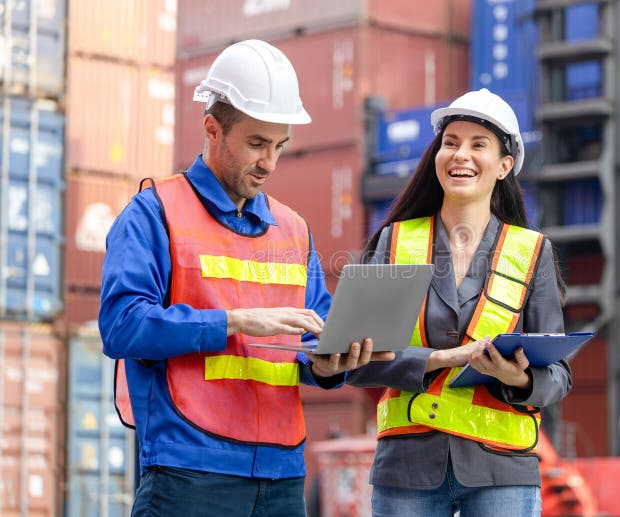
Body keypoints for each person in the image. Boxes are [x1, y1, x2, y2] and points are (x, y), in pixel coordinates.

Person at [99, 39, 391, 517]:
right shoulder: (154, 214)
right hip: (190, 472)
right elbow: (121, 326)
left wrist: (333, 363)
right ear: (212, 129)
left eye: (280, 146)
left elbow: (310, 348)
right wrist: (233, 321)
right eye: (256, 143)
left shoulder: (294, 229)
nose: (269, 163)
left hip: (281, 474)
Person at [347, 88, 571, 517]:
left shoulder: (532, 252)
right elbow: (356, 361)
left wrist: (520, 380)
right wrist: (443, 357)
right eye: (450, 143)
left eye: (477, 145)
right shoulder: (397, 241)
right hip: (408, 467)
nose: (460, 154)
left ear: (505, 165)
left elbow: (558, 375)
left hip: (500, 469)